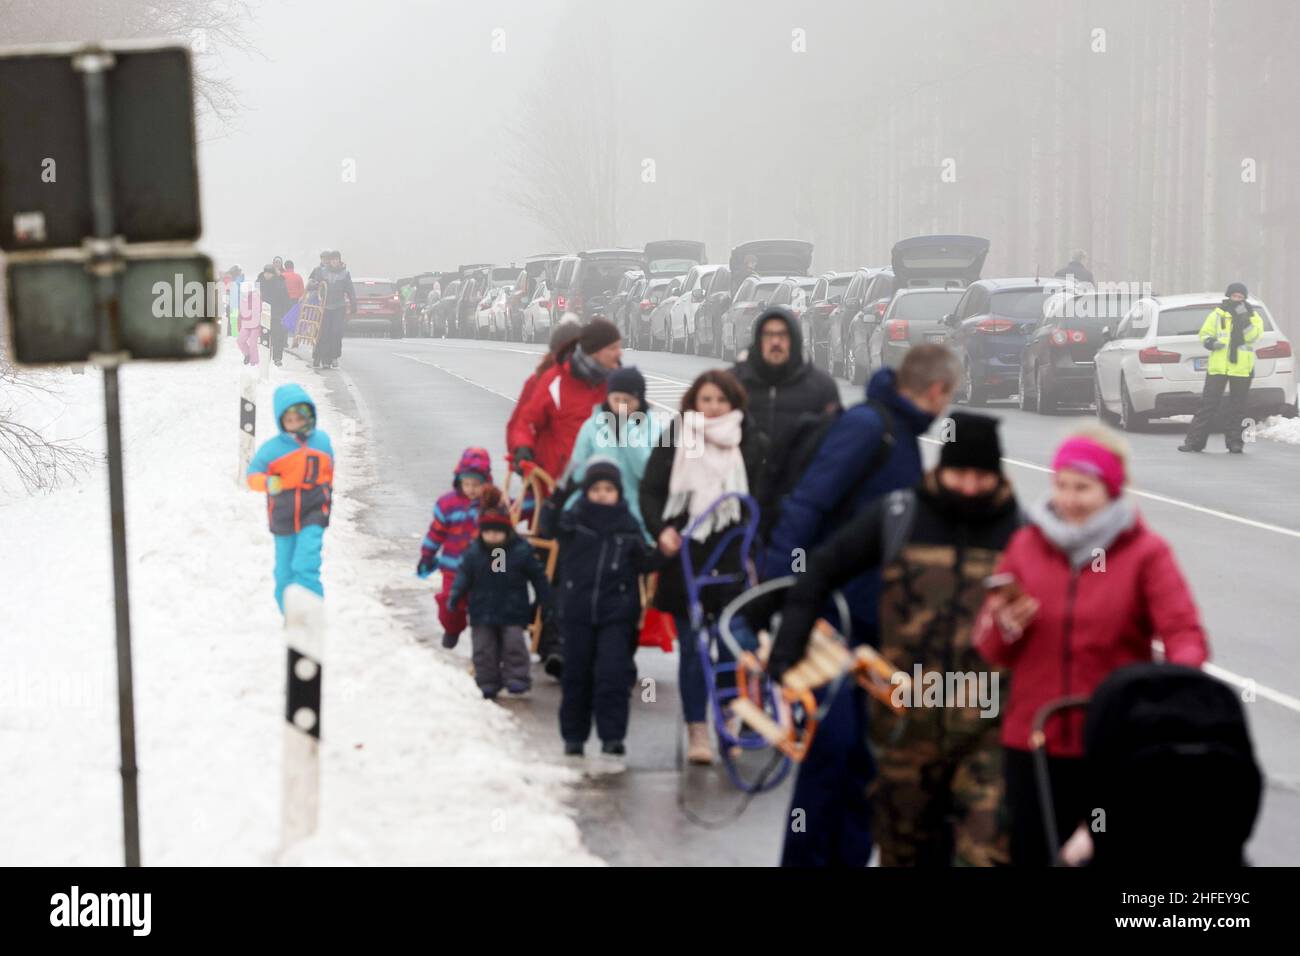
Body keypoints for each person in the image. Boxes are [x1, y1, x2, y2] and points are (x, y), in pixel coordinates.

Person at [769, 413, 1023, 866]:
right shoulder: (900, 515)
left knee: (985, 850)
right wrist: (788, 650)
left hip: (987, 723)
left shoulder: (1022, 533)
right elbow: (819, 570)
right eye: (958, 473)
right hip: (905, 722)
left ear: (997, 474)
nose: (968, 486)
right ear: (939, 468)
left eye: (980, 476)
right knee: (906, 849)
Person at [760, 344, 961, 868]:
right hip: (831, 622)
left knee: (865, 767)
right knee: (829, 758)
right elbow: (808, 504)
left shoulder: (900, 432)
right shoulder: (871, 428)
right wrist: (779, 595)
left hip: (876, 629)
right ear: (937, 390)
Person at [974, 427, 1209, 866]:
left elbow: (1184, 633)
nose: (1069, 498)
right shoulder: (1027, 545)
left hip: (1113, 744)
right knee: (1034, 853)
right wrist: (1004, 626)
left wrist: (1178, 687)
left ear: (1111, 489)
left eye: (1083, 487)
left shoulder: (1145, 553)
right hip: (1033, 740)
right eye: (1061, 485)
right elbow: (990, 648)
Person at [639, 369, 768, 764]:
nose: (712, 408)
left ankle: (728, 714)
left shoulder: (750, 441)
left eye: (720, 401)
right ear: (693, 402)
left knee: (731, 643)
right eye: (705, 400)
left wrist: (756, 544)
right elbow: (651, 489)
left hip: (731, 555)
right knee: (694, 649)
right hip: (686, 555)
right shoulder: (679, 436)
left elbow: (765, 497)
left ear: (734, 404)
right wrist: (661, 530)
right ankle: (697, 728)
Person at [557, 459, 663, 757]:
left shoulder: (628, 526)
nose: (603, 494)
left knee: (612, 675)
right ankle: (574, 737)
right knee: (576, 676)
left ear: (618, 492)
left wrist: (664, 553)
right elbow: (550, 527)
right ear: (586, 492)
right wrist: (560, 494)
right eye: (596, 489)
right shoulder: (574, 522)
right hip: (577, 611)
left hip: (616, 613)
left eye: (609, 489)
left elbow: (644, 562)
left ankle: (612, 737)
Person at [449, 487, 552, 700]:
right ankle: (488, 681)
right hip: (482, 612)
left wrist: (545, 598)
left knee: (514, 646)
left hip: (512, 611)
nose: (493, 537)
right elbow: (463, 577)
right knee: (484, 649)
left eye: (497, 532)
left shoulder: (519, 551)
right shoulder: (474, 553)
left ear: (507, 532)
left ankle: (517, 678)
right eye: (488, 532)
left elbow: (537, 575)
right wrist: (456, 594)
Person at [730, 306, 840, 501]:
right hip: (739, 501)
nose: (775, 342)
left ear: (795, 339)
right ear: (757, 339)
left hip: (798, 502)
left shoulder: (821, 387)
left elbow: (836, 451)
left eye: (783, 335)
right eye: (768, 335)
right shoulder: (732, 383)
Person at [246, 383, 335, 613]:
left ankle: (311, 615)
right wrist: (268, 483)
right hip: (283, 516)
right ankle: (291, 616)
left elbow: (329, 470)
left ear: (310, 416)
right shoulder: (272, 449)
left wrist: (324, 494)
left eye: (301, 418)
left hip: (314, 511)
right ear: (281, 421)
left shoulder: (322, 441)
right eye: (290, 420)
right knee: (284, 573)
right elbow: (252, 475)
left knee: (306, 565)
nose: (296, 425)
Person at [508, 317, 623, 481]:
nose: (619, 353)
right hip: (555, 480)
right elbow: (524, 423)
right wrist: (522, 449)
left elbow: (630, 433)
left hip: (604, 482)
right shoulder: (549, 381)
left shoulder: (619, 383)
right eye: (613, 348)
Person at [557, 365, 659, 540]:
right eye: (616, 399)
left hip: (635, 515)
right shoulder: (592, 425)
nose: (621, 405)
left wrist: (627, 428)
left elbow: (645, 471)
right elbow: (576, 469)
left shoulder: (653, 428)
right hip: (594, 511)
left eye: (627, 400)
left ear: (639, 400)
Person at [416, 448, 493, 650]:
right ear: (459, 480)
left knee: (484, 607)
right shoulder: (448, 503)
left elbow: (501, 540)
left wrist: (499, 568)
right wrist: (427, 556)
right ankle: (452, 628)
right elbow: (436, 533)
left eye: (476, 485)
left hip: (483, 571)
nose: (470, 489)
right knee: (451, 605)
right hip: (453, 568)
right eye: (466, 483)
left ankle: (484, 644)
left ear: (486, 482)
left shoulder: (491, 505)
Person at [1178, 282, 1264, 454]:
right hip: (1218, 368)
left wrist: (1244, 320)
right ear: (1229, 296)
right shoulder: (1218, 314)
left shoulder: (1253, 316)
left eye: (1240, 297)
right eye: (1234, 296)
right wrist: (1210, 342)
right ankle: (1194, 442)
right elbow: (1205, 333)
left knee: (1238, 406)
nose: (1237, 299)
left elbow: (1253, 337)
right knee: (1208, 404)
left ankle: (1235, 443)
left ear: (1244, 298)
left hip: (1241, 368)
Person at [311, 250, 354, 369]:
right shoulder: (322, 272)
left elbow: (350, 289)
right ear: (329, 261)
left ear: (339, 260)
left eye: (336, 259)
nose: (334, 261)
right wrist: (312, 285)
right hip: (325, 306)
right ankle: (325, 359)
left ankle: (334, 356)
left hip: (339, 306)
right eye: (332, 259)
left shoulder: (345, 273)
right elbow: (316, 285)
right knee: (324, 333)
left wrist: (353, 304)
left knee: (336, 333)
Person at [258, 263, 291, 367]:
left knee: (277, 337)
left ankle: (277, 358)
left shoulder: (280, 283)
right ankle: (265, 356)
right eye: (265, 273)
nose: (266, 275)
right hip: (264, 313)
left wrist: (284, 313)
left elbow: (285, 299)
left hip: (277, 313)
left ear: (273, 274)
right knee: (264, 335)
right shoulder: (260, 282)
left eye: (269, 273)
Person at [237, 272, 263, 366]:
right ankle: (247, 355)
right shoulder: (242, 298)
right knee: (240, 341)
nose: (244, 293)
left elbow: (257, 310)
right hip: (245, 324)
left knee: (253, 343)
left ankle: (254, 361)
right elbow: (241, 312)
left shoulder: (256, 297)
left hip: (255, 324)